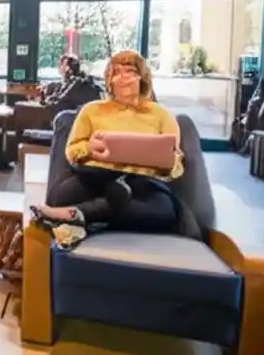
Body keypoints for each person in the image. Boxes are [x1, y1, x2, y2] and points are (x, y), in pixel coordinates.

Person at [31, 50, 186, 245]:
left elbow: (176, 165)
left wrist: (169, 162)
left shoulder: (161, 115)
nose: (122, 78)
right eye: (116, 73)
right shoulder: (92, 111)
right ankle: (107, 209)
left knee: (165, 211)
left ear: (142, 78)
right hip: (97, 177)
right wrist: (89, 148)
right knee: (61, 195)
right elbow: (72, 151)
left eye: (129, 71)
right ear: (109, 81)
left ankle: (81, 214)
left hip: (142, 183)